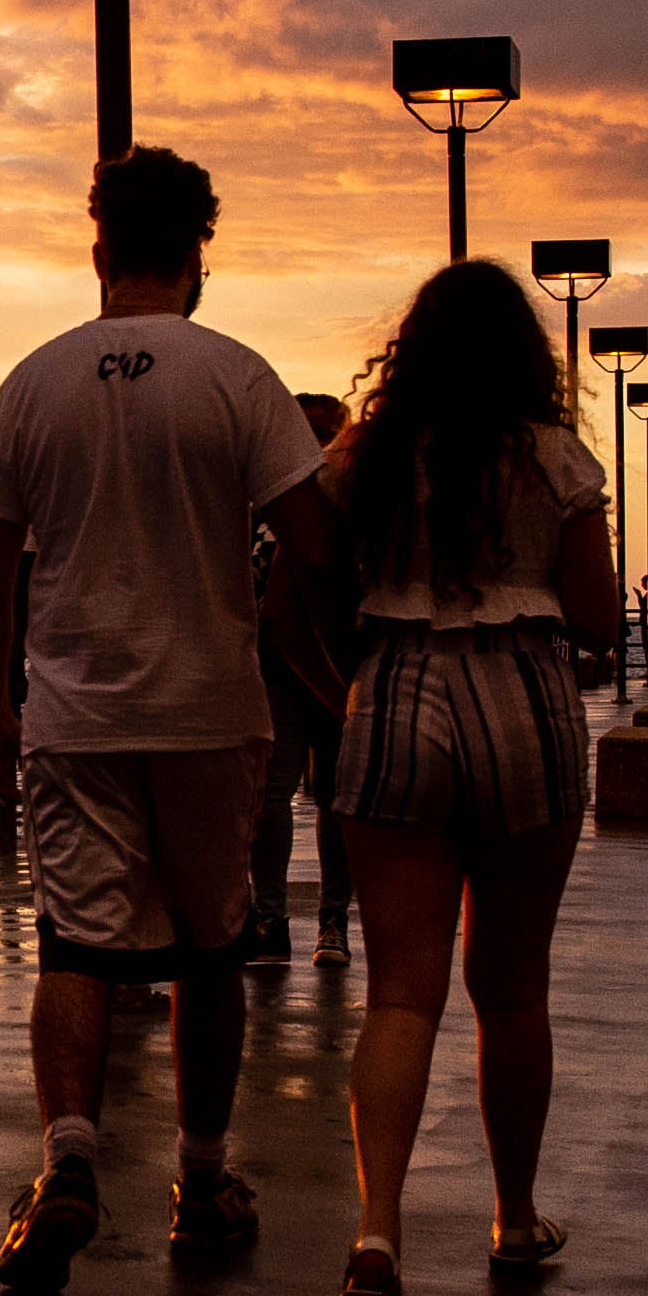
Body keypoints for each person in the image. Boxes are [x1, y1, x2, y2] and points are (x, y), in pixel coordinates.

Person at [0, 147, 326, 1296]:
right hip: (213, 712)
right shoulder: (239, 378)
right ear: (198, 255)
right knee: (213, 951)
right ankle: (204, 1180)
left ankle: (70, 1157)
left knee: (75, 946)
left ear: (100, 248)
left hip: (74, 714)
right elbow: (315, 546)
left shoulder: (36, 381)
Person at [314, 262, 617, 1296]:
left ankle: (378, 1232)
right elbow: (598, 623)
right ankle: (516, 1215)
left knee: (401, 990)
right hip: (523, 697)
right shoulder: (555, 458)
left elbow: (304, 587)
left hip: (394, 689)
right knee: (513, 985)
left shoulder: (368, 455)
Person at [245, 389, 353, 968]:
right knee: (268, 801)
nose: (317, 445)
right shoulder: (259, 504)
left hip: (341, 670)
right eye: (306, 432)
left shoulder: (354, 503)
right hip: (275, 673)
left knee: (338, 803)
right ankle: (270, 918)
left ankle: (333, 921)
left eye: (328, 433)